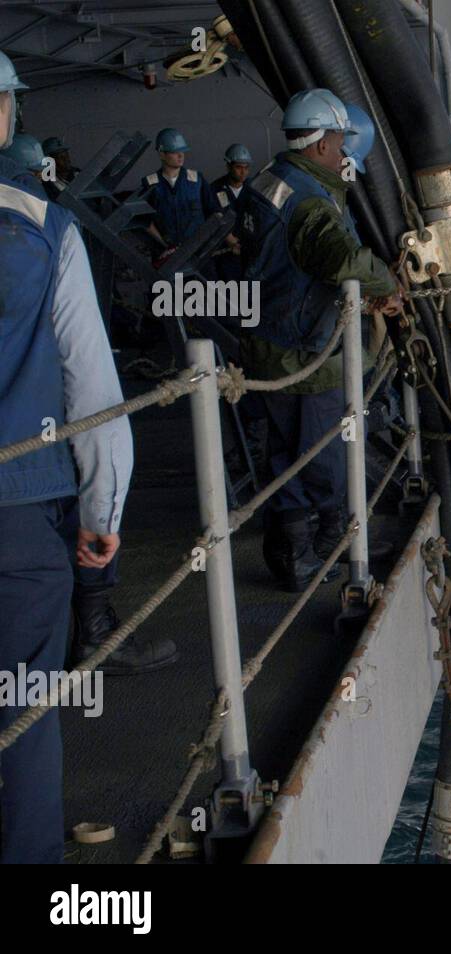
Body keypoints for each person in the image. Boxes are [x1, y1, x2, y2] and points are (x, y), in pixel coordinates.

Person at [0, 50, 137, 862]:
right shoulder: (45, 228)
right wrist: (100, 516)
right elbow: (94, 395)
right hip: (20, 519)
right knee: (21, 710)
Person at [238, 90, 401, 592]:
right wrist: (386, 285)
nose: (340, 150)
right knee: (324, 450)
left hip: (268, 342)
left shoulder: (269, 181)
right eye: (336, 141)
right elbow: (343, 262)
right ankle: (333, 540)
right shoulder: (312, 203)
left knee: (285, 451)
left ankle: (290, 554)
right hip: (307, 347)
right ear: (320, 144)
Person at [140, 127, 218, 254]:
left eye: (182, 151)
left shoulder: (197, 180)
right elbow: (145, 221)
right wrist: (164, 246)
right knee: (179, 275)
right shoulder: (150, 185)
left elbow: (215, 212)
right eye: (175, 152)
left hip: (199, 251)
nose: (181, 155)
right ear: (161, 154)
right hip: (171, 256)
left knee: (206, 274)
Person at [211, 143, 253, 280]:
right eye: (239, 167)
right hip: (225, 253)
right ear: (228, 166)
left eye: (246, 168)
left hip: (250, 251)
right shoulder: (215, 190)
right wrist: (230, 241)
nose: (243, 172)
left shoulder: (254, 189)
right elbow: (214, 218)